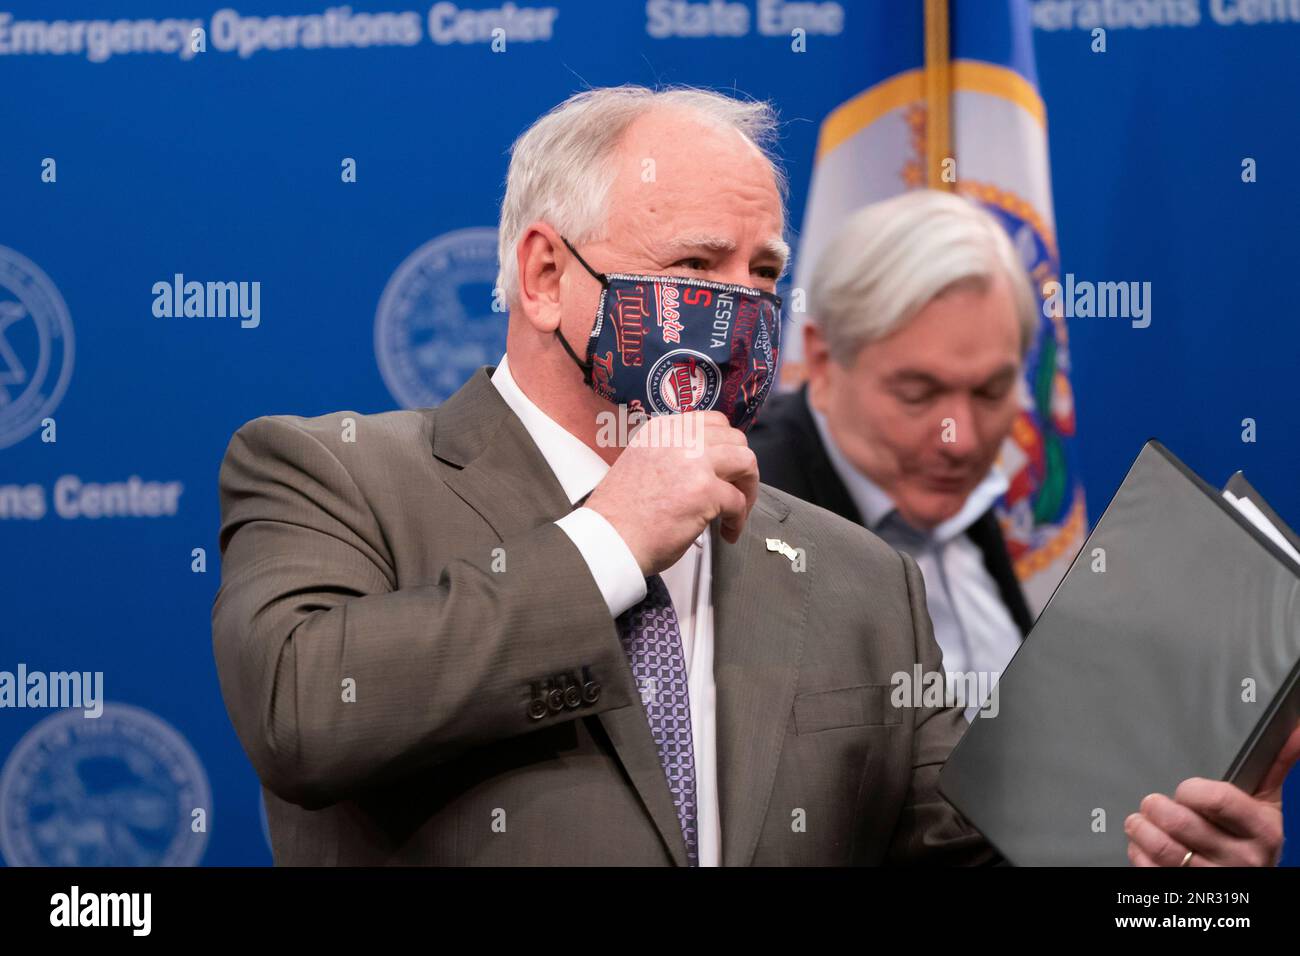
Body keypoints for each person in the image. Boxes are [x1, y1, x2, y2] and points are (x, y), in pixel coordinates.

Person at [212, 87, 1296, 867]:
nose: (741, 308)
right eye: (694, 266)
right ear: (546, 274)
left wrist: (1163, 877)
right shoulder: (334, 473)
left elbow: (973, 849)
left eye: (764, 272)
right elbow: (304, 711)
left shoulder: (852, 571)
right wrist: (609, 538)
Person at [752, 190, 1036, 719]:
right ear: (823, 360)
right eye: (917, 395)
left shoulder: (946, 489)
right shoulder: (748, 522)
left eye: (991, 393)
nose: (963, 442)